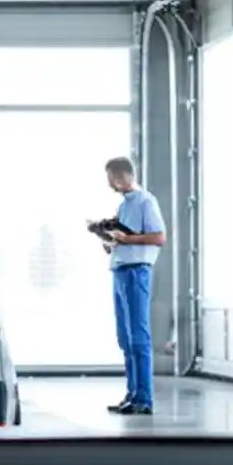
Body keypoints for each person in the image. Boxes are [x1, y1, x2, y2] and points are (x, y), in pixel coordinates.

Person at [87, 157, 166, 415]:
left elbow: (159, 237)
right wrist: (109, 239)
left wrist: (128, 238)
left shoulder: (145, 201)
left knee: (138, 337)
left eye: (111, 176)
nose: (110, 182)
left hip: (136, 272)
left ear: (122, 175)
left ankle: (144, 398)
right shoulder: (124, 206)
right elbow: (123, 240)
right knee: (126, 336)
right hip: (120, 270)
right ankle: (132, 394)